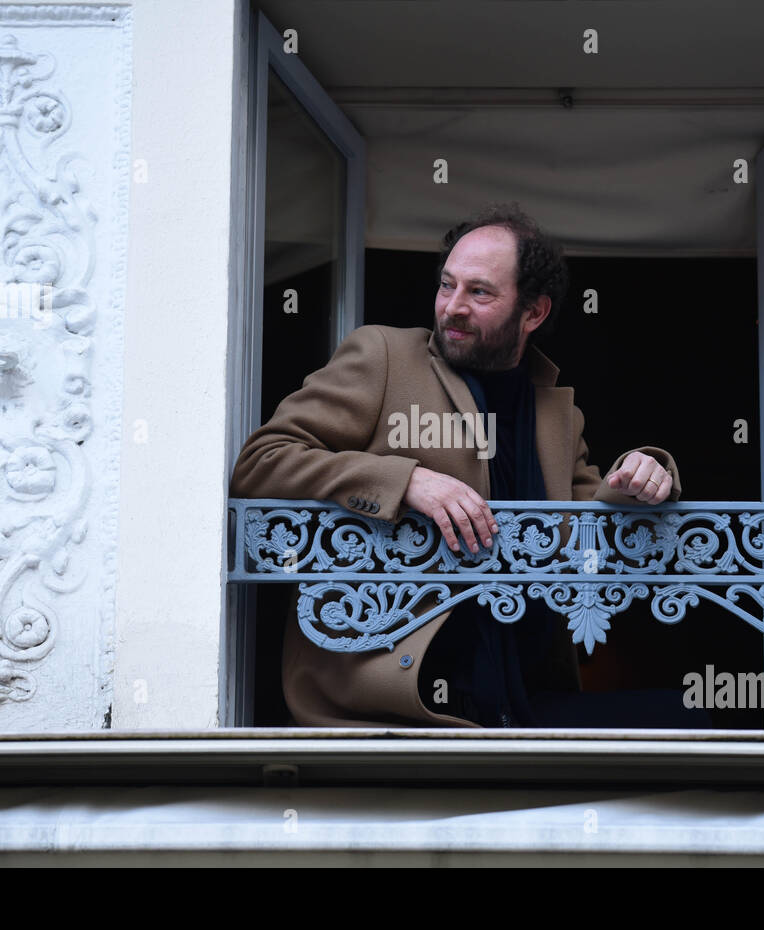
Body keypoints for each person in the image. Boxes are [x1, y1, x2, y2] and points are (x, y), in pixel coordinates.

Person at [231, 202, 710, 729]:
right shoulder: (383, 355)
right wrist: (406, 479)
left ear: (533, 312)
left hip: (524, 702)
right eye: (446, 285)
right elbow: (262, 462)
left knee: (693, 722)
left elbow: (594, 518)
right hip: (396, 702)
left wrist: (647, 471)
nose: (453, 306)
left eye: (479, 292)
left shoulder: (557, 411)